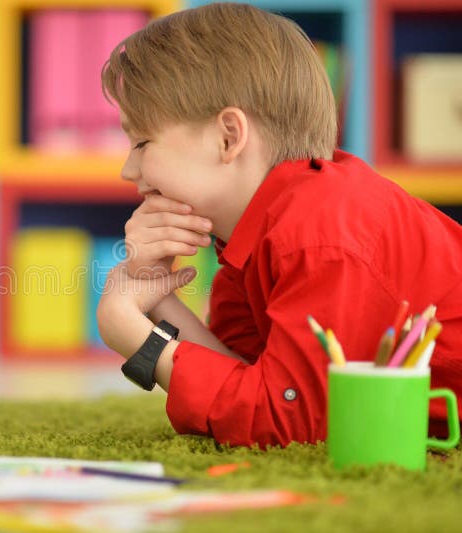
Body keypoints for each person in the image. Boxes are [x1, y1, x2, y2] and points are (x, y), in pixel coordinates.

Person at [96, 3, 462, 448]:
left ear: (229, 136)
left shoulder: (319, 232)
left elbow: (289, 424)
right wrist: (157, 296)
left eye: (141, 142)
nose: (127, 170)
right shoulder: (252, 233)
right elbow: (246, 381)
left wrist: (137, 339)